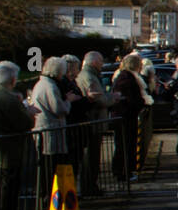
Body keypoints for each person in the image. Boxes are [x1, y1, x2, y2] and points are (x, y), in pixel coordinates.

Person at [0, 62, 40, 210]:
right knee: (8, 183)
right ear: (12, 79)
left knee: (1, 182)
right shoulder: (8, 98)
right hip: (8, 146)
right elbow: (23, 123)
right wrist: (30, 114)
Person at [30, 56, 78, 196]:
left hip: (47, 131)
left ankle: (48, 197)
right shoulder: (50, 86)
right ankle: (49, 198)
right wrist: (68, 101)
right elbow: (59, 109)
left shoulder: (42, 84)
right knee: (50, 168)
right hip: (50, 133)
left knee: (48, 167)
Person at [75, 52, 118, 196]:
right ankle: (89, 187)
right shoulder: (89, 77)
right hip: (93, 121)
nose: (102, 64)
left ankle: (90, 186)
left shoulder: (90, 75)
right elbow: (101, 99)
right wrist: (113, 97)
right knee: (91, 157)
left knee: (92, 157)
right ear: (93, 62)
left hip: (94, 121)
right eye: (100, 62)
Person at [110, 53, 148, 182]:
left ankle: (122, 171)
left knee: (123, 145)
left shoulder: (125, 77)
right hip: (125, 117)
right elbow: (131, 99)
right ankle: (123, 172)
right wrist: (142, 103)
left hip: (125, 116)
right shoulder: (127, 79)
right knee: (125, 146)